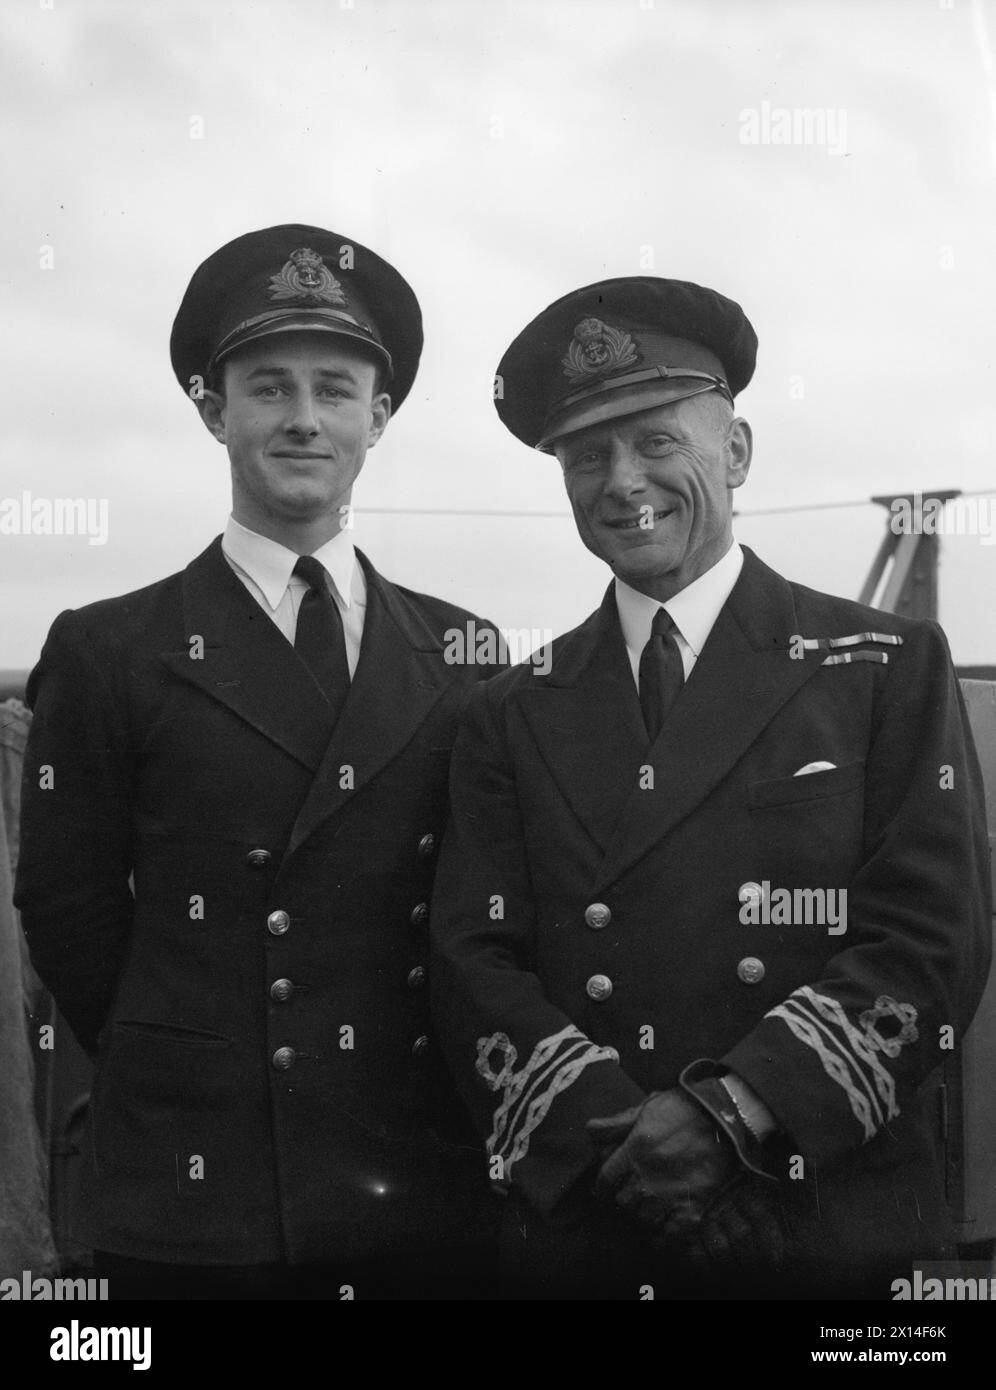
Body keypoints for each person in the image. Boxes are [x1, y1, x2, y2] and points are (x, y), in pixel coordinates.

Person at [429, 276, 991, 1300]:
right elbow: (473, 958)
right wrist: (629, 1153)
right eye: (586, 456)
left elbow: (930, 938)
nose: (622, 481)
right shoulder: (508, 709)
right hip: (596, 1224)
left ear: (734, 452)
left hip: (821, 1223)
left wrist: (733, 1118)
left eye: (655, 440)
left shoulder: (884, 666)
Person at [15, 224, 503, 1300]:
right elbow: (67, 907)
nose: (302, 418)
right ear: (213, 410)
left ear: (379, 417)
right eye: (268, 387)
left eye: (335, 390)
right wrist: (185, 1052)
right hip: (202, 1186)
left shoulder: (465, 647)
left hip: (411, 1177)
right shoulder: (108, 648)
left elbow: (483, 910)